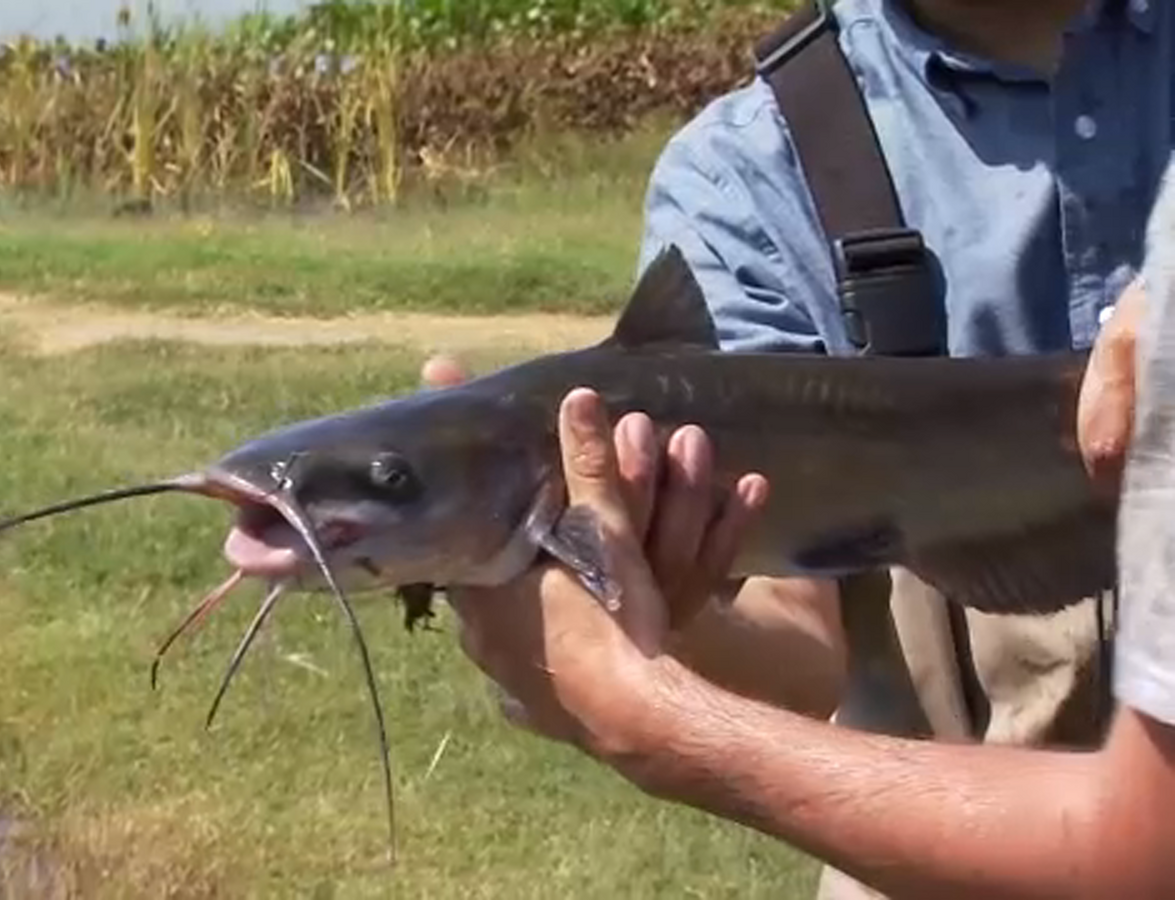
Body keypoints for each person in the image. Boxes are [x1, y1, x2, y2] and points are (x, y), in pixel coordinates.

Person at [421, 0, 1170, 894]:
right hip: (927, 836)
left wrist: (646, 719)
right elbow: (799, 653)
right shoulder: (752, 173)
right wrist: (658, 615)